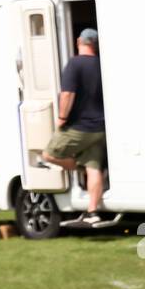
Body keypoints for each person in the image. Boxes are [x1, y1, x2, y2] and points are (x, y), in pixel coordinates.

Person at [42, 28, 107, 228]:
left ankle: (78, 169)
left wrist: (62, 117)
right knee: (93, 167)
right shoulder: (102, 64)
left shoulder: (75, 63)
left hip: (80, 127)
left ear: (79, 41)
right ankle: (92, 212)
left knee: (49, 154)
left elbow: (67, 94)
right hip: (101, 127)